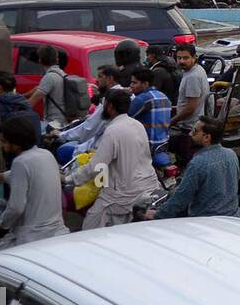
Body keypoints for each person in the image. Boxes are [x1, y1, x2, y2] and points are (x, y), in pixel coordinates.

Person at [68, 88, 159, 230]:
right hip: (148, 185)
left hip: (123, 194)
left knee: (90, 226)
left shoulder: (113, 130)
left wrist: (70, 179)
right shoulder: (137, 125)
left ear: (109, 106)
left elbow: (97, 167)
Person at [0, 115, 69, 249]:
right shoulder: (46, 154)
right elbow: (26, 175)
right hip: (57, 231)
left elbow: (16, 207)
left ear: (15, 143)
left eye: (3, 141)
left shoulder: (20, 162)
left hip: (32, 237)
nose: (1, 145)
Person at [149, 117, 240, 219]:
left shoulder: (198, 162)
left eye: (195, 131)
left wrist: (157, 214)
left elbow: (181, 199)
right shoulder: (231, 154)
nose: (190, 134)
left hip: (206, 221)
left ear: (206, 137)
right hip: (233, 217)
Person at [54, 65, 124, 163]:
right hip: (114, 145)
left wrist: (61, 135)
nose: (96, 80)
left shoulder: (110, 100)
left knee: (63, 150)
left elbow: (89, 128)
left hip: (100, 148)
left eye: (100, 76)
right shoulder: (124, 94)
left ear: (110, 79)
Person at [169, 42, 211, 165]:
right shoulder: (195, 70)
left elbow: (191, 107)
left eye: (186, 58)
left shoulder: (193, 76)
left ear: (194, 57)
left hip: (190, 127)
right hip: (191, 124)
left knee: (187, 162)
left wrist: (172, 121)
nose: (182, 61)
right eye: (179, 58)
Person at [25, 44, 69, 126]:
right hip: (64, 120)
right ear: (57, 59)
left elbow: (31, 103)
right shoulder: (61, 73)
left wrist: (16, 110)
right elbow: (39, 88)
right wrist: (22, 96)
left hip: (53, 123)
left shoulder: (49, 77)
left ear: (40, 61)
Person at [128, 68, 172, 148]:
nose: (131, 85)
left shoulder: (142, 99)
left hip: (148, 145)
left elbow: (125, 119)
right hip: (164, 143)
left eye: (134, 83)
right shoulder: (163, 96)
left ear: (145, 84)